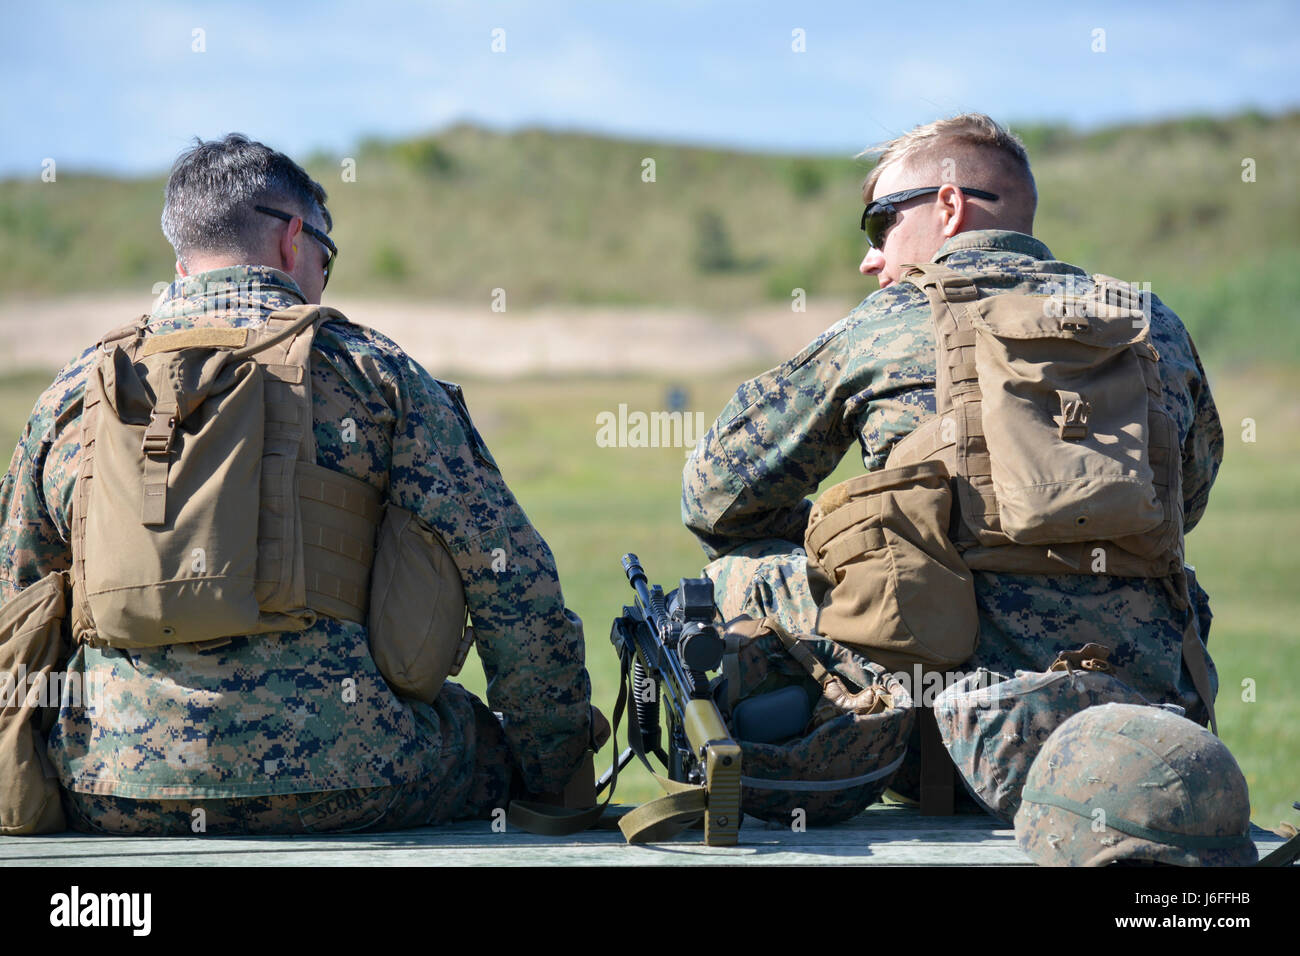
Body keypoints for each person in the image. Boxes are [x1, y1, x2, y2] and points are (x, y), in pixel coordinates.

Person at [0, 133, 595, 835]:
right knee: (486, 741)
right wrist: (559, 780)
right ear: (291, 240)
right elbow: (515, 589)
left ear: (182, 258)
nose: (321, 273)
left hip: (111, 786)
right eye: (325, 254)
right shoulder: (377, 375)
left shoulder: (73, 397)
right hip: (360, 777)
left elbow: (18, 610)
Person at [682, 114, 1223, 729]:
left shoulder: (885, 322)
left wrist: (846, 532)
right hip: (1144, 716)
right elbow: (1187, 499)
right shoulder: (1152, 322)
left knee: (732, 573)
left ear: (948, 205)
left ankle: (804, 764)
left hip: (944, 731)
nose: (870, 257)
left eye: (881, 224)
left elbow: (714, 498)